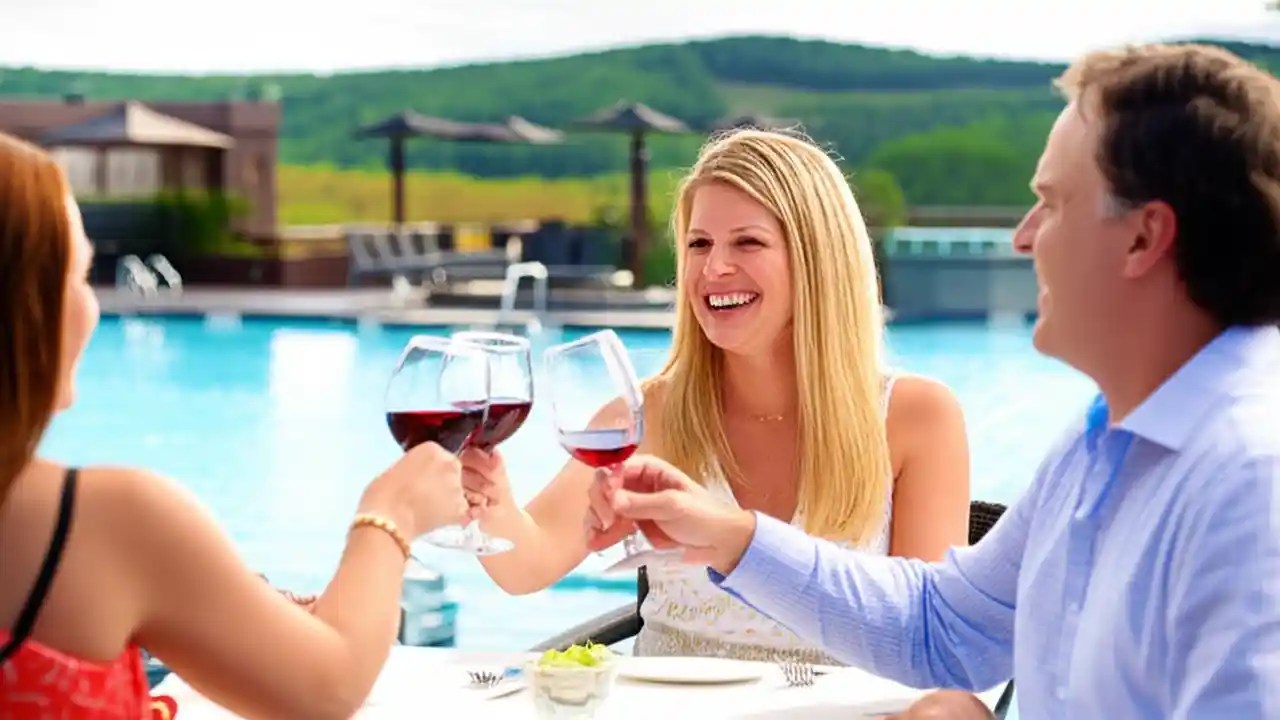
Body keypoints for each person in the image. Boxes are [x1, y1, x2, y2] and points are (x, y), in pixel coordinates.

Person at [591, 42, 1280, 718]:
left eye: (1052, 203)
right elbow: (942, 627)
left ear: (1142, 238)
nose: (1022, 235)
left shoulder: (1249, 481)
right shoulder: (1102, 439)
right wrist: (731, 536)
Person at [0, 131, 470, 718]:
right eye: (77, 276)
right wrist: (391, 514)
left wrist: (197, 603)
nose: (90, 304)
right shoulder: (98, 521)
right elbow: (327, 689)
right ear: (24, 307)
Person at [464, 128, 971, 663]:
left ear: (818, 259)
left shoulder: (917, 418)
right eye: (699, 244)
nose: (713, 269)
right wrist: (489, 500)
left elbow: (929, 636)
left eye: (747, 242)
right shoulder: (648, 414)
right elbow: (527, 564)